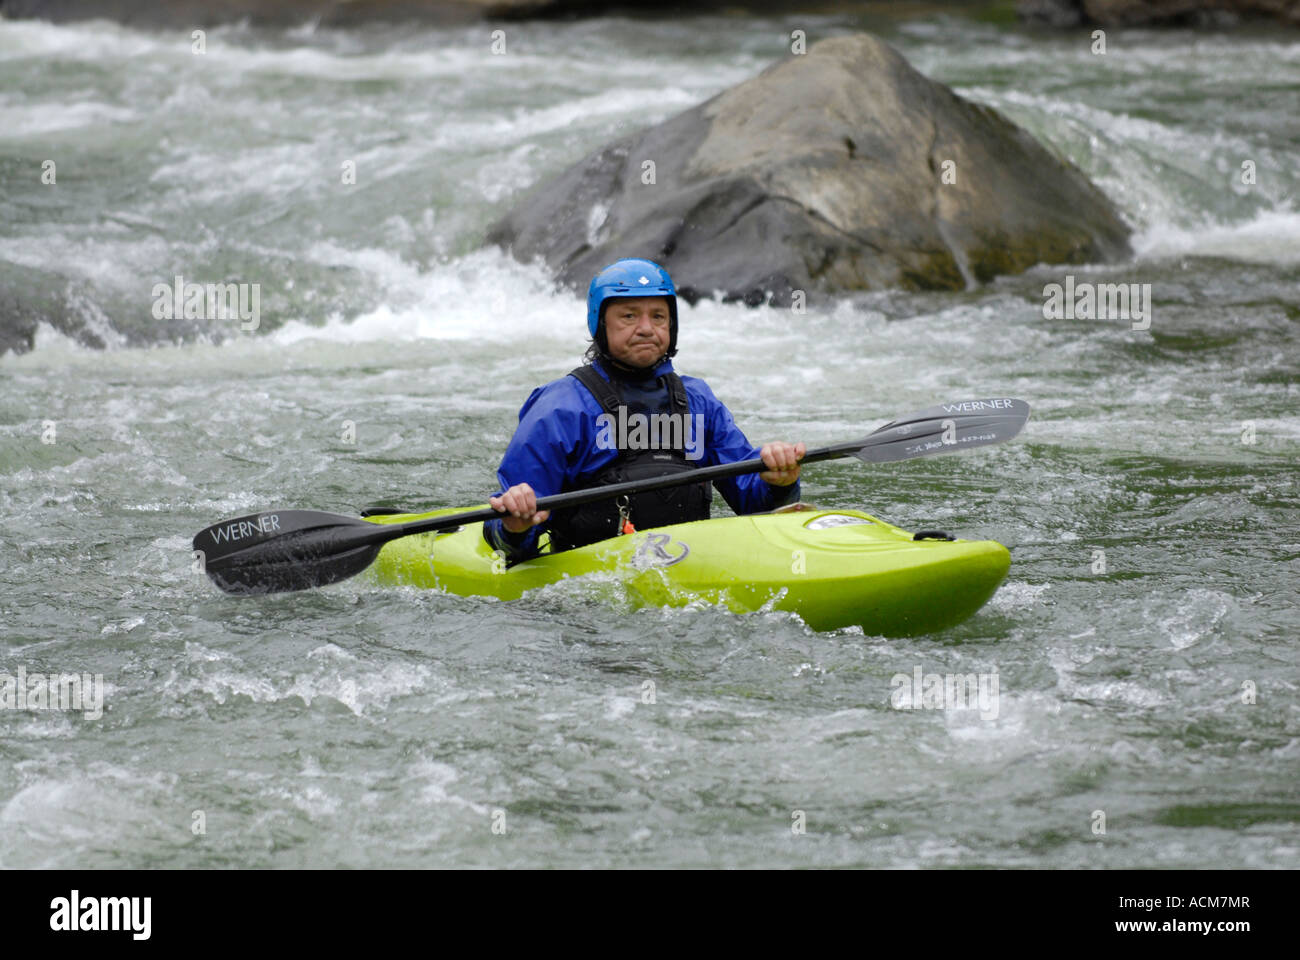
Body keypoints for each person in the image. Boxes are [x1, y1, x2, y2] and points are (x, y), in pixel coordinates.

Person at [485, 257, 805, 562]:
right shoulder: (560, 407)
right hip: (587, 589)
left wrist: (778, 482)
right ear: (601, 325)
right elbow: (509, 538)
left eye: (658, 316)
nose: (646, 328)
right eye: (629, 316)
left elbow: (752, 502)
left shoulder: (698, 400)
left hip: (691, 570)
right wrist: (516, 523)